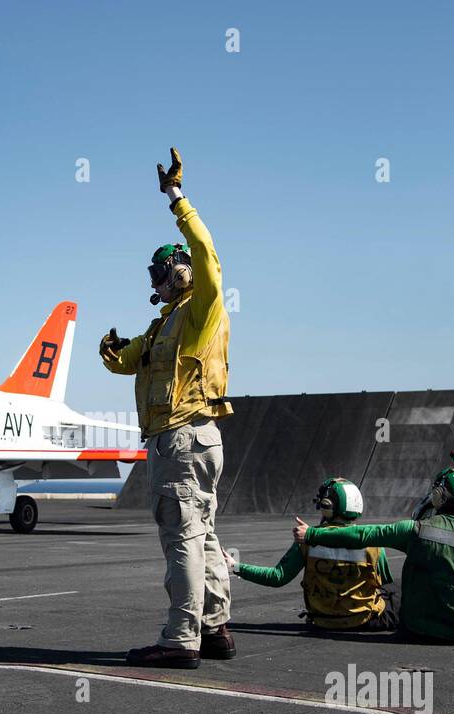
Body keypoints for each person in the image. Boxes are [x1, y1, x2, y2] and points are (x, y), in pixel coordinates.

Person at [100, 147, 233, 668]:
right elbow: (132, 358)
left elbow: (207, 252)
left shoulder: (202, 307)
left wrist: (176, 198)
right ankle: (216, 628)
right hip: (192, 439)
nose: (158, 279)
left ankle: (181, 639)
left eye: (164, 269)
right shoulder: (167, 323)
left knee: (182, 538)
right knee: (204, 535)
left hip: (181, 439)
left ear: (181, 268)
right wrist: (112, 352)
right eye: (155, 275)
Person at [294, 466, 454, 644]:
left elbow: (360, 534)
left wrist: (312, 534)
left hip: (417, 631)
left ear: (439, 497)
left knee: (392, 588)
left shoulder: (414, 530)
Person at [226, 478, 396, 631]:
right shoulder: (373, 544)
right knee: (395, 590)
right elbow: (385, 581)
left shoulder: (307, 539)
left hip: (323, 620)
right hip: (362, 620)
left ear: (327, 506)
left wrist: (236, 566)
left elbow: (276, 577)